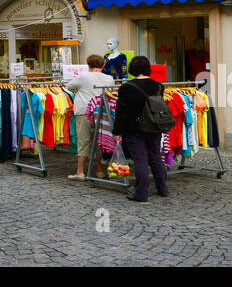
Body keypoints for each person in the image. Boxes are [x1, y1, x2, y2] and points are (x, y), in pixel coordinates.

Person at [113, 55, 168, 203]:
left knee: (140, 159)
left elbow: (121, 112)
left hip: (134, 128)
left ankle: (141, 193)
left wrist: (117, 131)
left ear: (132, 69)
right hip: (154, 127)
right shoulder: (158, 86)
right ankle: (162, 188)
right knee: (156, 156)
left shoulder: (126, 88)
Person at [66, 54, 115, 180]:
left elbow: (69, 86)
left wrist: (80, 91)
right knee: (100, 141)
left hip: (84, 111)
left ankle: (80, 171)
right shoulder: (109, 78)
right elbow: (111, 91)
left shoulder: (84, 76)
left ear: (88, 65)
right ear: (103, 65)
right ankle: (100, 170)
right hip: (102, 112)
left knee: (83, 141)